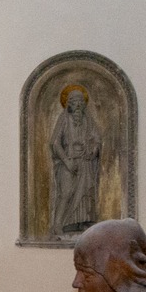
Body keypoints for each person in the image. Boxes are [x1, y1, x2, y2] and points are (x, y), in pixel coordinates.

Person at [47, 84, 103, 238]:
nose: (78, 104)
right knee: (65, 193)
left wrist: (93, 150)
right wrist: (66, 161)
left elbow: (97, 139)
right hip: (68, 162)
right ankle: (57, 225)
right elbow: (55, 143)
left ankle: (82, 222)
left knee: (86, 193)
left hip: (85, 162)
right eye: (74, 101)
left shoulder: (88, 120)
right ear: (69, 103)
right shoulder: (64, 119)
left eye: (81, 101)